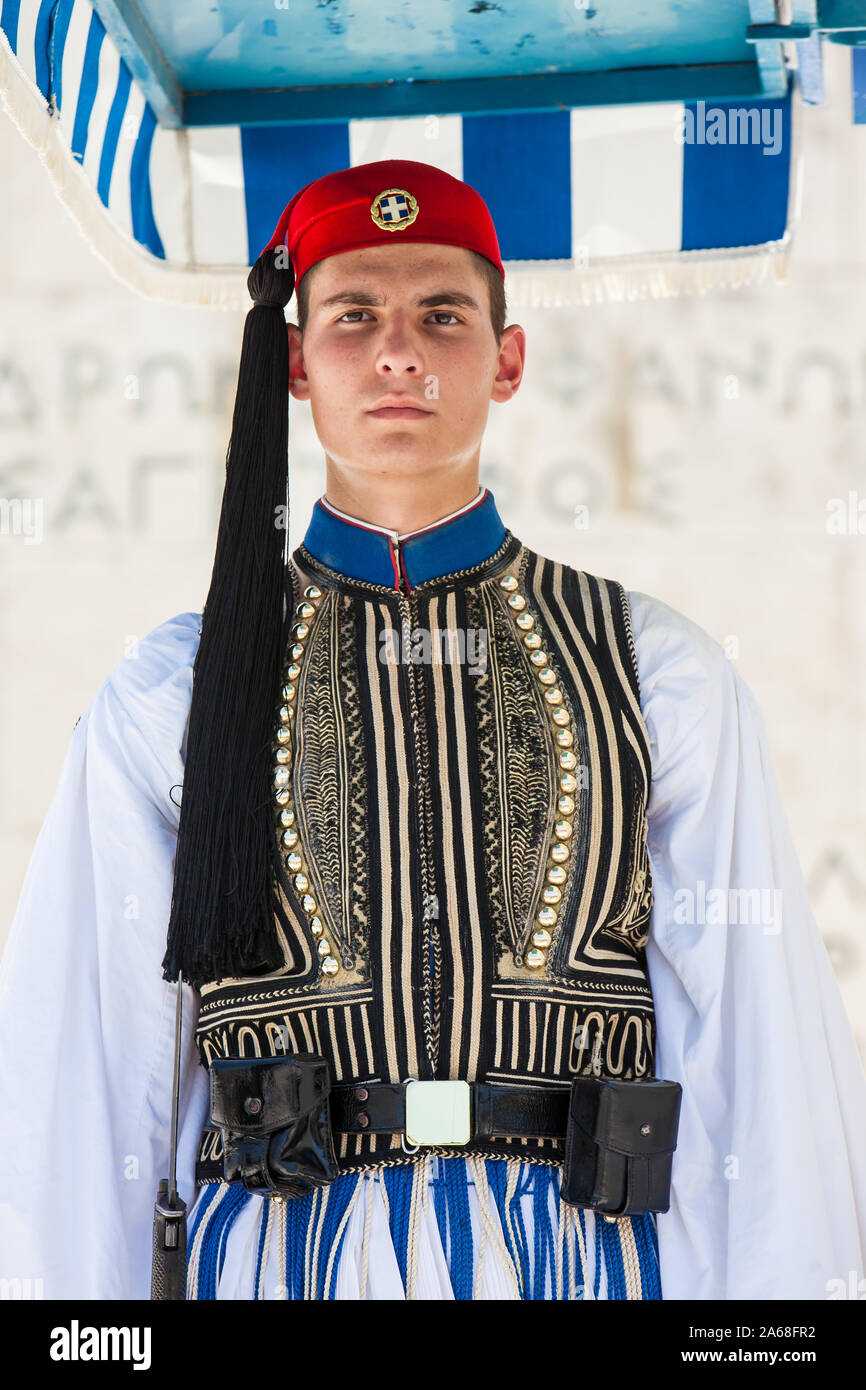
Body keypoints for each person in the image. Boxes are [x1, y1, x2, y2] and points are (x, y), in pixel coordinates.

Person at [1, 159, 864, 1302]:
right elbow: (85, 1069)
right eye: (354, 316)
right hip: (278, 1262)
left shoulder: (657, 672)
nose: (398, 352)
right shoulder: (172, 690)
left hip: (577, 1260)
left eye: (440, 316)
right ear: (298, 365)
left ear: (505, 361)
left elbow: (756, 1051)